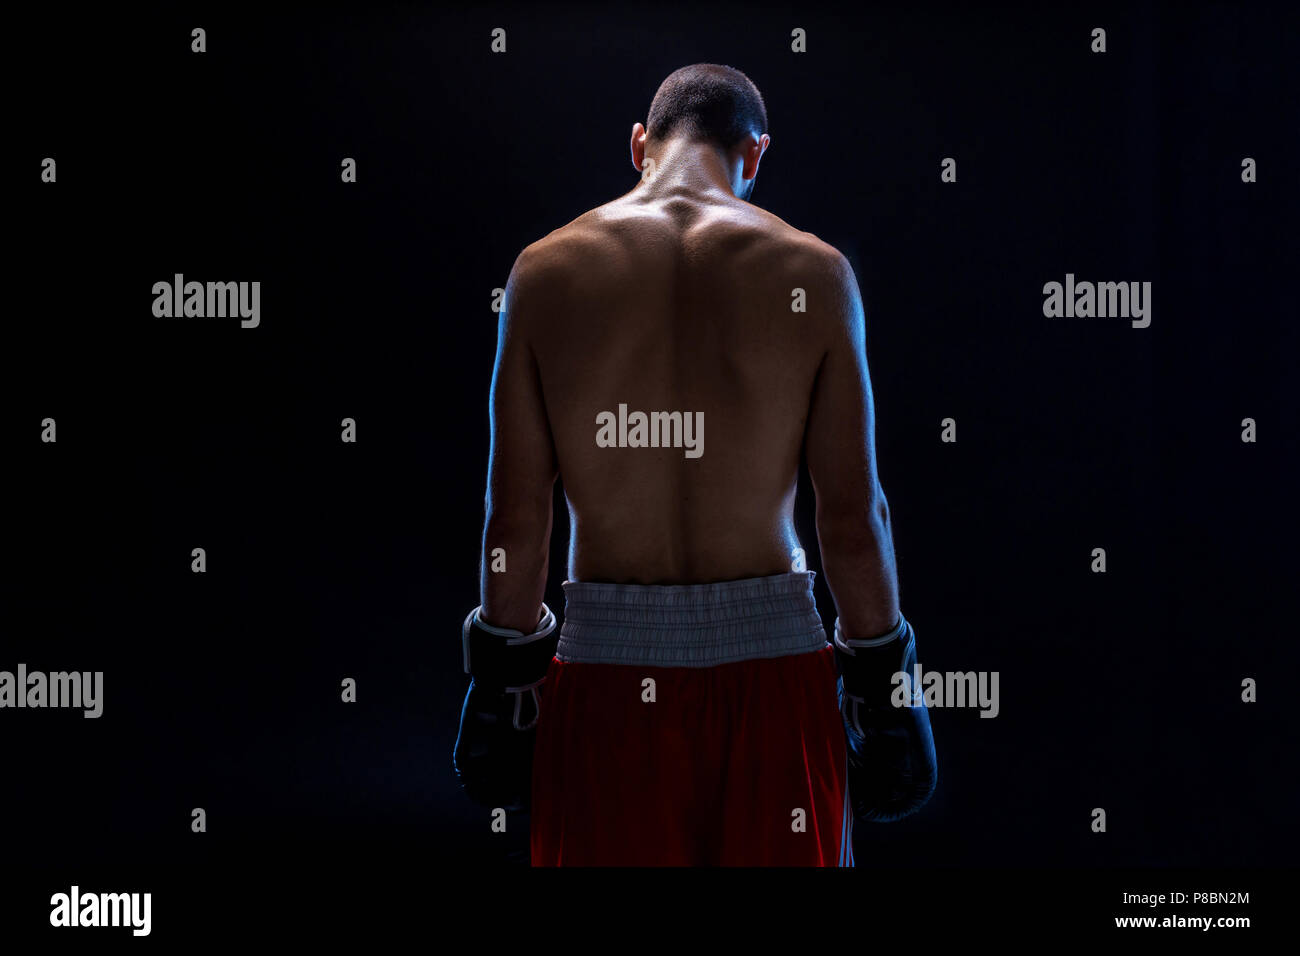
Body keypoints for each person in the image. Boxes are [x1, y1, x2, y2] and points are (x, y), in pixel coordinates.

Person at [454, 63, 936, 866]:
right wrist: (891, 691)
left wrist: (500, 680)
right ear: (756, 154)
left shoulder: (542, 273)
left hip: (606, 678)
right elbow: (854, 520)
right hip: (776, 675)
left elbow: (516, 518)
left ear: (640, 143)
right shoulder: (816, 274)